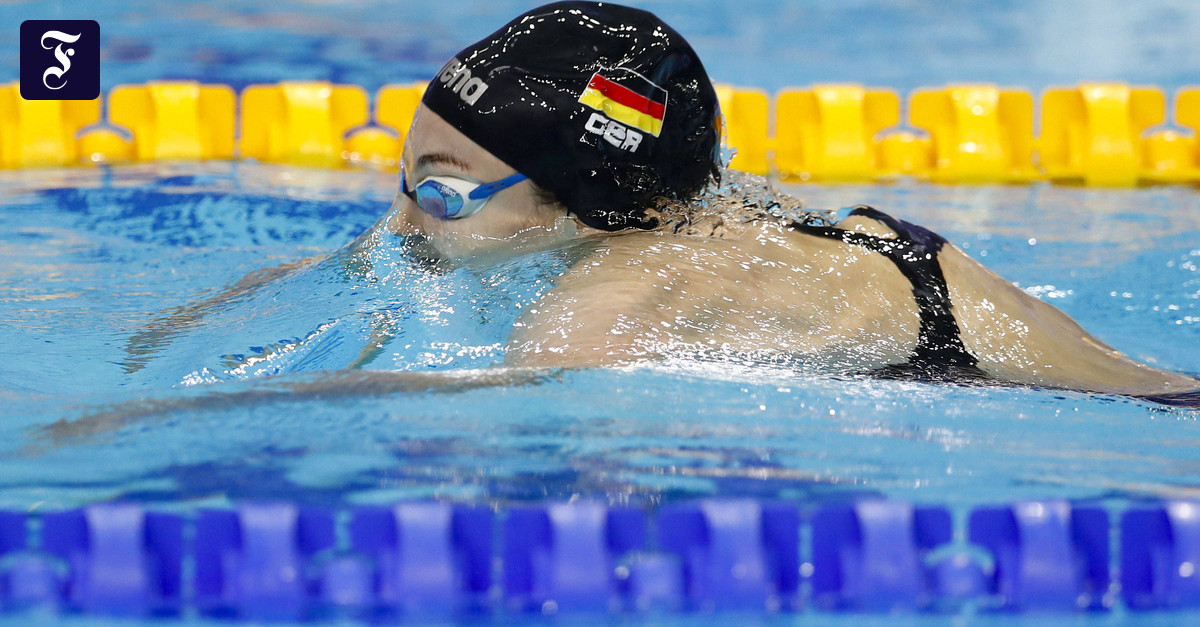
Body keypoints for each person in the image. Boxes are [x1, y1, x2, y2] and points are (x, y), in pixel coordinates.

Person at [383, 1, 1199, 406]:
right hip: (916, 276)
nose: (402, 220)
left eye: (443, 195)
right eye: (406, 174)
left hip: (1051, 390)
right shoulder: (687, 209)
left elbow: (510, 412)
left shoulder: (616, 293)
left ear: (586, 207)